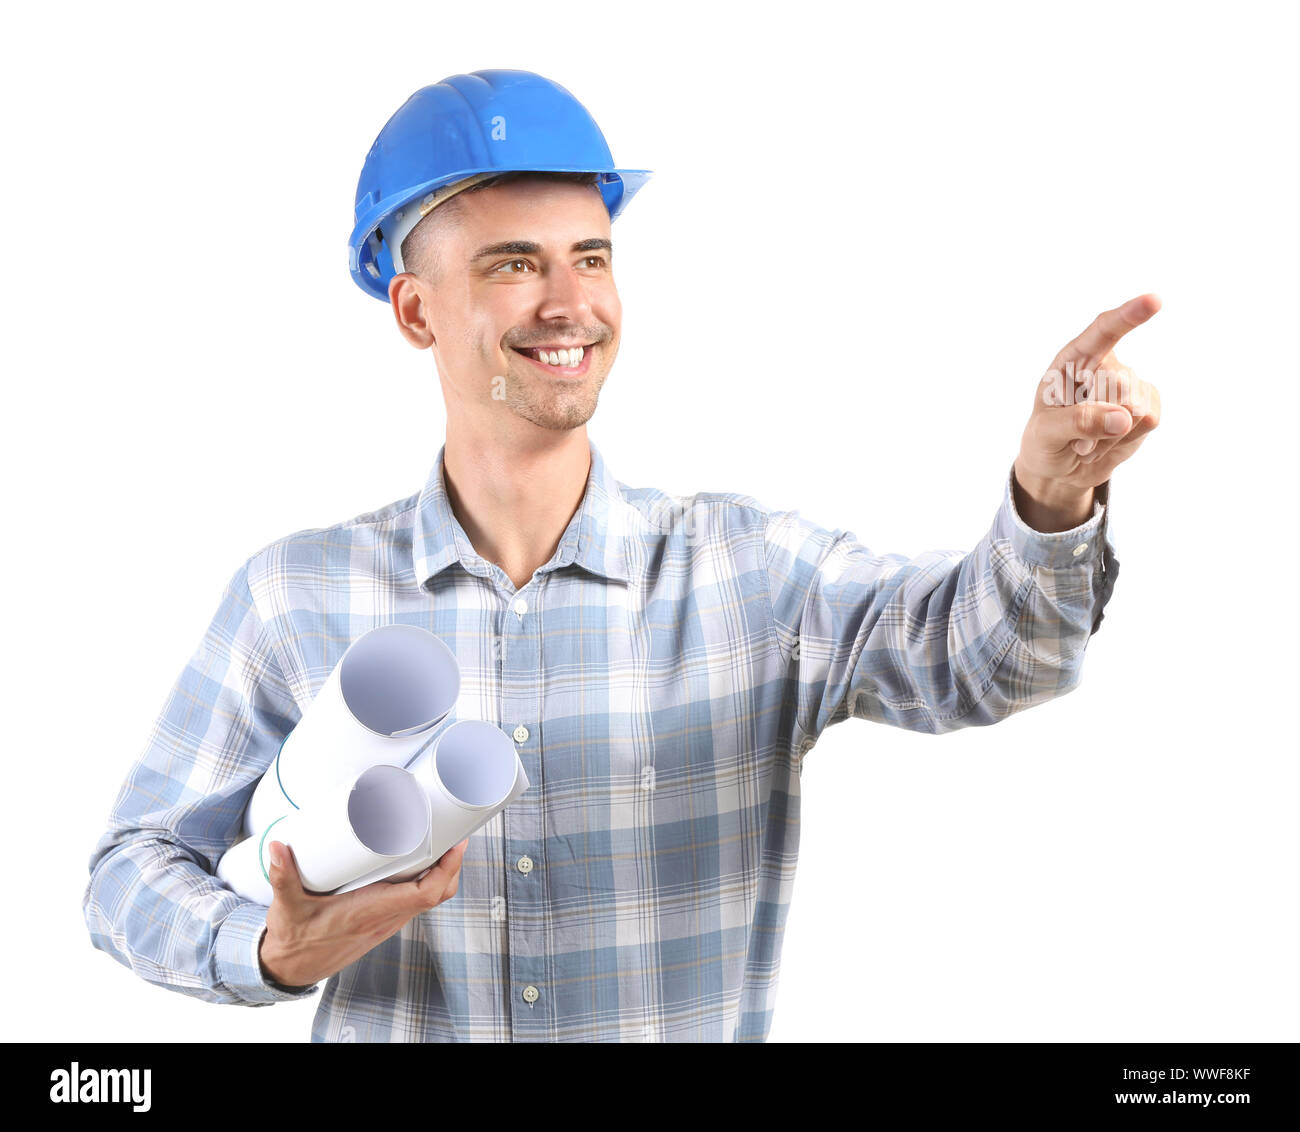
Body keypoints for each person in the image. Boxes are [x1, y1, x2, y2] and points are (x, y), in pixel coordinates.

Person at [83, 69, 1162, 1042]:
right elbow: (130, 872)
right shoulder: (296, 596)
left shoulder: (749, 575)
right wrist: (267, 951)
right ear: (416, 309)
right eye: (514, 264)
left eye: (590, 257)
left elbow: (986, 662)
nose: (570, 303)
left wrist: (1051, 496)